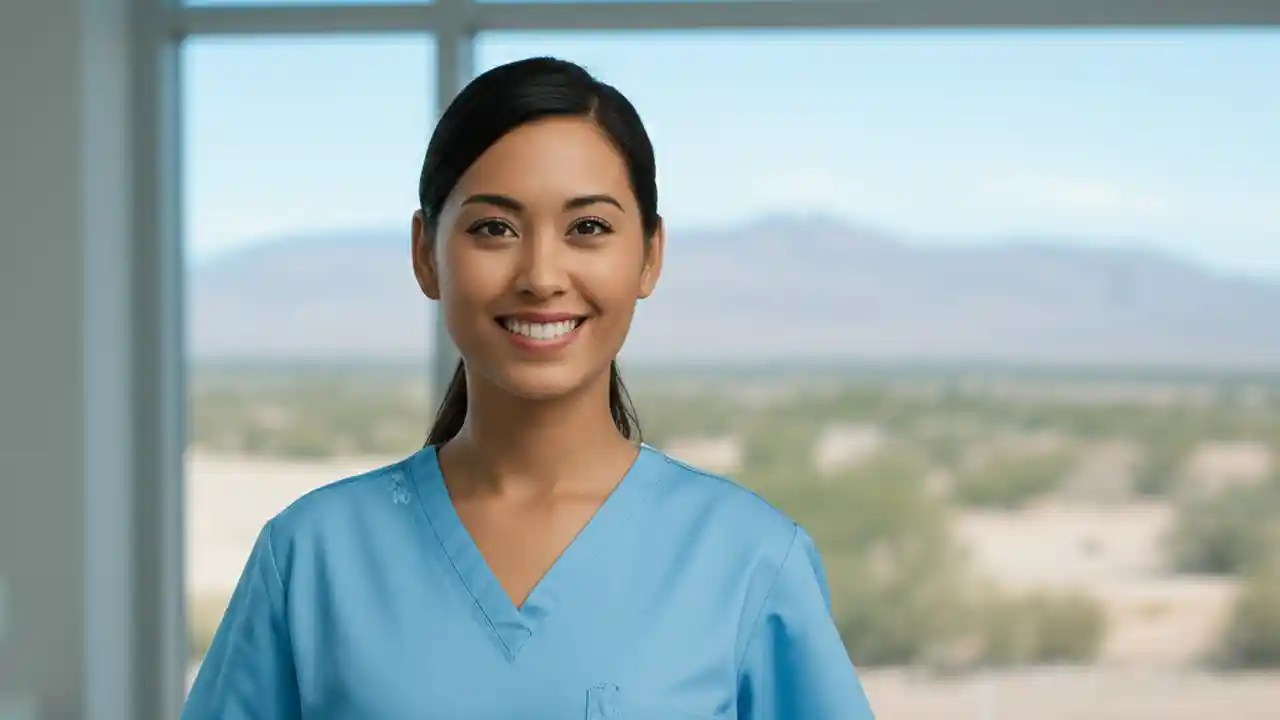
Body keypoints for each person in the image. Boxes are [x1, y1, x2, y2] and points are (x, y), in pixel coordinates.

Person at [183, 56, 875, 720]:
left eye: (588, 228)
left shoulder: (747, 558)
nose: (541, 275)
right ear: (426, 255)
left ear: (650, 256)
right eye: (494, 228)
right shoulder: (311, 557)